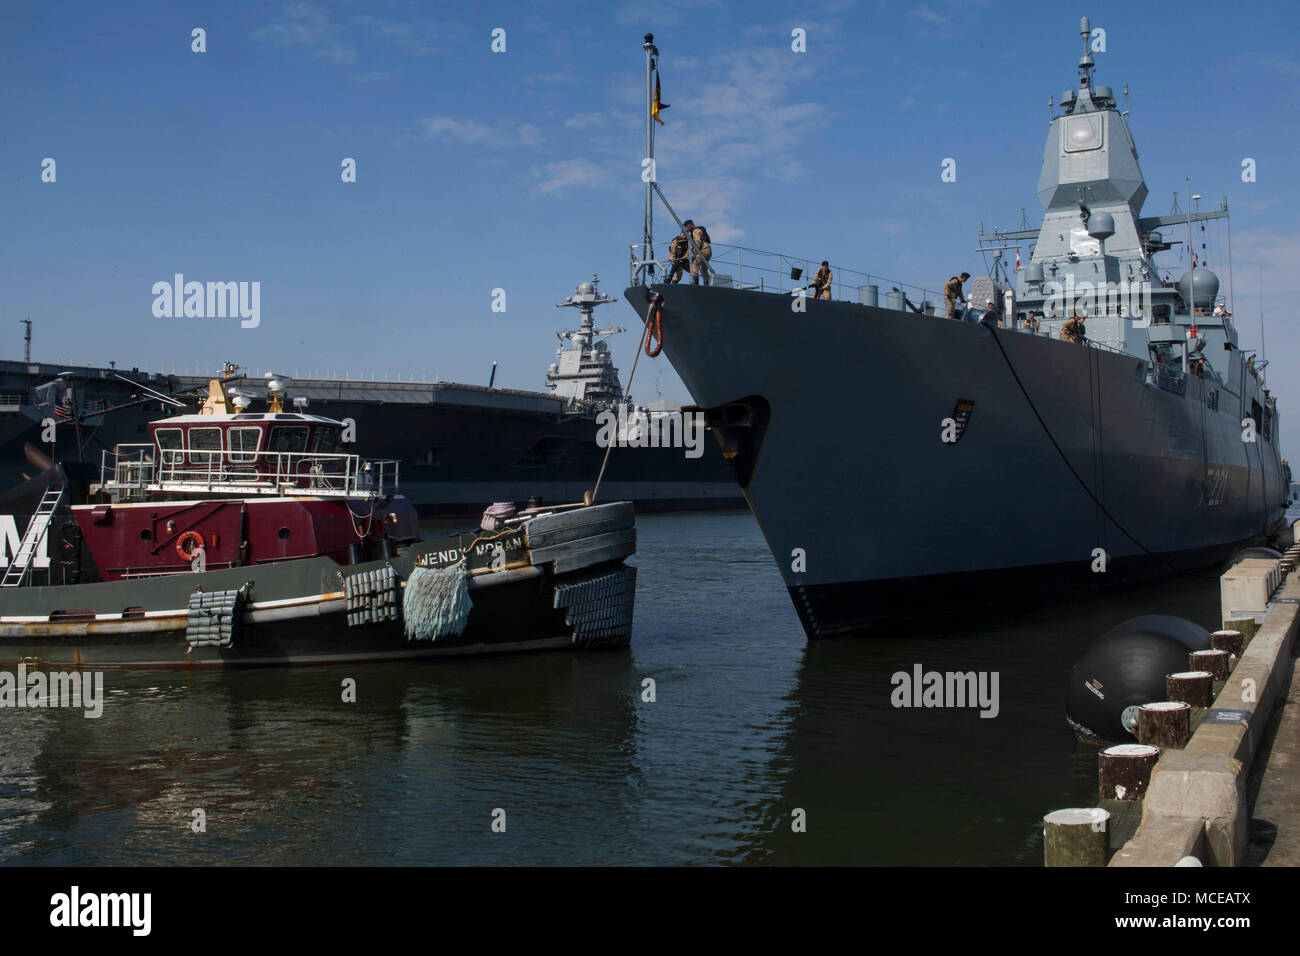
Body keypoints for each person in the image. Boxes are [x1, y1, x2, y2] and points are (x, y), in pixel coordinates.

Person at [684, 219, 712, 285]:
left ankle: (695, 284)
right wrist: (685, 256)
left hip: (703, 250)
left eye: (687, 227)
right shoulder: (698, 230)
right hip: (708, 250)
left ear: (690, 225)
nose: (686, 229)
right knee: (704, 269)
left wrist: (694, 253)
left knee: (694, 265)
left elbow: (697, 243)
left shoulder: (695, 231)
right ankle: (707, 284)